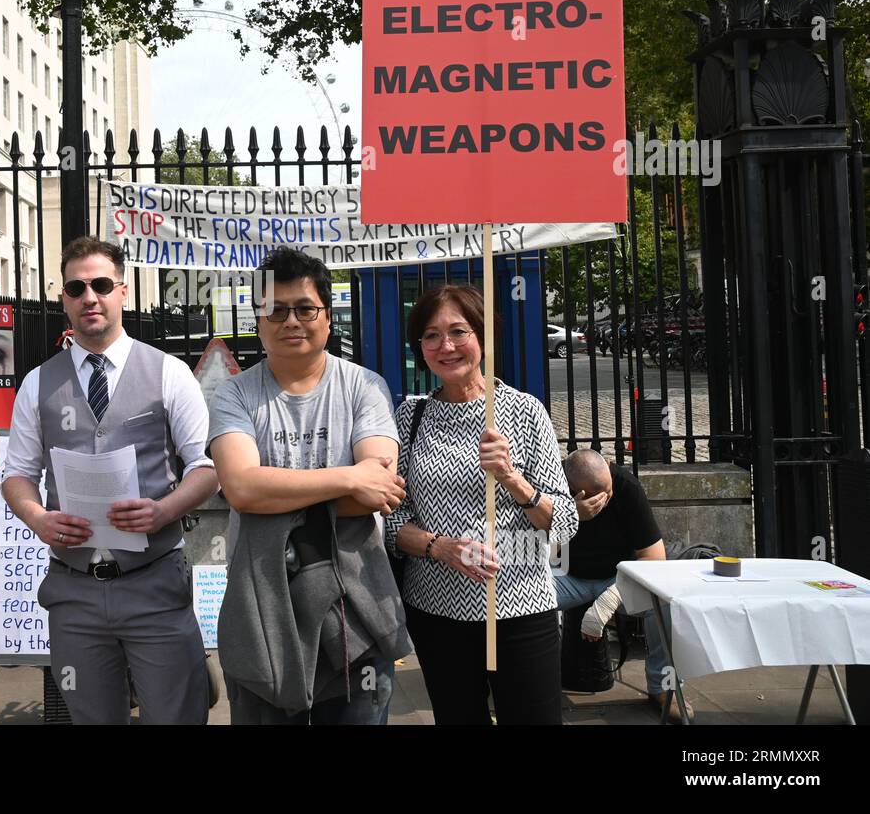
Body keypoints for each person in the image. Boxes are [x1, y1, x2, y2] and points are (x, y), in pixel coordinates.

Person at [2, 237, 217, 724]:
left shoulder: (169, 373)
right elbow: (17, 475)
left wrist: (164, 510)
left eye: (100, 285)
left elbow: (206, 467)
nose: (89, 297)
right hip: (74, 590)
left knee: (176, 716)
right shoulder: (38, 383)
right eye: (76, 288)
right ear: (64, 300)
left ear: (122, 292)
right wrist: (37, 518)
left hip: (155, 584)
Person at [209, 247, 411, 725]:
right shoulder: (234, 394)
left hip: (357, 601)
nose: (291, 321)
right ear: (258, 320)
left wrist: (275, 491)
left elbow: (376, 495)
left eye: (304, 308)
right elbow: (241, 488)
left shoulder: (365, 387)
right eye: (276, 310)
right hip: (263, 604)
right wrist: (347, 476)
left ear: (326, 316)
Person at [385, 285, 577, 725]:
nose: (446, 346)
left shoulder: (525, 411)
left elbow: (564, 523)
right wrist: (440, 547)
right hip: (436, 613)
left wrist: (512, 479)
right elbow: (393, 522)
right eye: (431, 336)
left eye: (458, 331)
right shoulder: (409, 417)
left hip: (521, 609)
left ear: (483, 336)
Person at [558, 448, 692, 721]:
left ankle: (663, 687)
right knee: (527, 600)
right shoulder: (555, 487)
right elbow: (534, 548)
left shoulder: (626, 486)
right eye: (599, 495)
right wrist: (570, 514)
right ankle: (531, 683)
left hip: (619, 578)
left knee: (664, 601)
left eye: (608, 491)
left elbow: (654, 558)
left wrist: (609, 601)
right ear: (574, 489)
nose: (607, 498)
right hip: (567, 577)